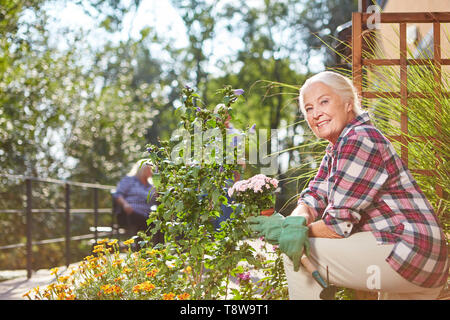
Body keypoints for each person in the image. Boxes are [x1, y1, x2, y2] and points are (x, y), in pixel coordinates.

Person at [249, 71, 448, 300]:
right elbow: (313, 195)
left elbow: (337, 225)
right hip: (418, 255)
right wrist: (295, 221)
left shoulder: (359, 139)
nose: (316, 114)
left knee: (298, 254)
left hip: (410, 250)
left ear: (348, 103)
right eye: (309, 108)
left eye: (324, 101)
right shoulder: (338, 147)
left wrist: (289, 232)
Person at [113, 160, 161, 244]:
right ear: (142, 170)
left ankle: (158, 250)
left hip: (147, 214)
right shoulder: (129, 180)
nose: (151, 171)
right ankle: (140, 250)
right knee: (142, 223)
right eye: (150, 169)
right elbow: (118, 194)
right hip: (130, 213)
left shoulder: (151, 185)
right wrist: (125, 205)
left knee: (160, 223)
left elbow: (156, 200)